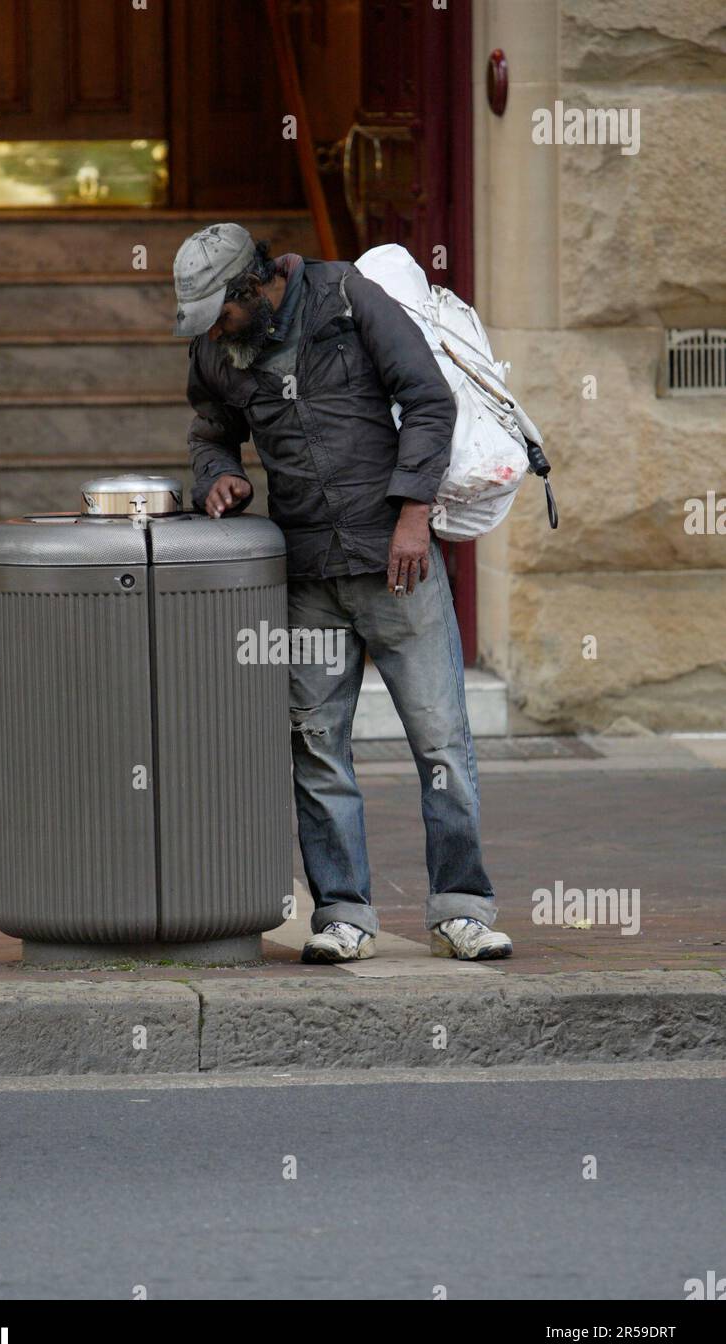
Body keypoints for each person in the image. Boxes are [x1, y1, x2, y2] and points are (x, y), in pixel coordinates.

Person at [173, 223, 511, 965]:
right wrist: (215, 477)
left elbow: (427, 402)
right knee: (316, 747)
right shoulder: (217, 349)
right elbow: (210, 431)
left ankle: (460, 908)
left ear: (252, 289)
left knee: (441, 742)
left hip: (398, 564)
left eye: (220, 314)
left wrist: (414, 516)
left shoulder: (350, 300)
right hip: (306, 573)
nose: (213, 332)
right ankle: (342, 912)